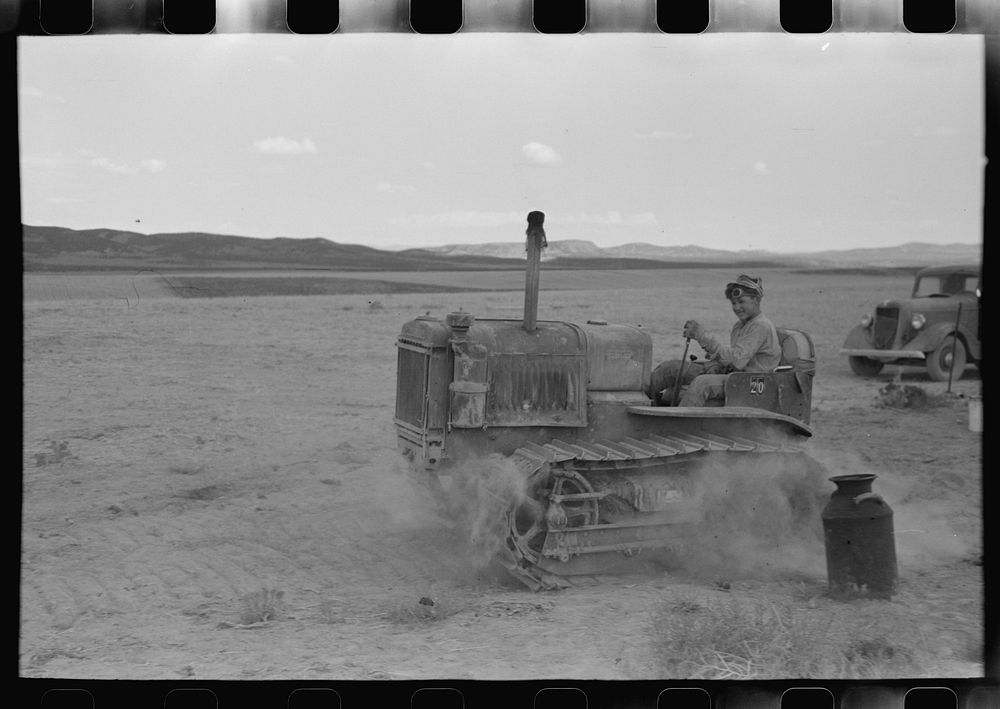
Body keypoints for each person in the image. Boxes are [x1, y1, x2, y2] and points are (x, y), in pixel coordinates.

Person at [645, 274, 781, 406]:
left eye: (741, 302)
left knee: (701, 384)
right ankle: (643, 404)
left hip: (752, 383)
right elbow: (735, 360)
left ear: (756, 300)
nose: (736, 308)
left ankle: (678, 425)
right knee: (670, 369)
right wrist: (716, 362)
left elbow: (738, 360)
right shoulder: (740, 326)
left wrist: (703, 337)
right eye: (734, 303)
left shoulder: (760, 325)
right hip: (735, 376)